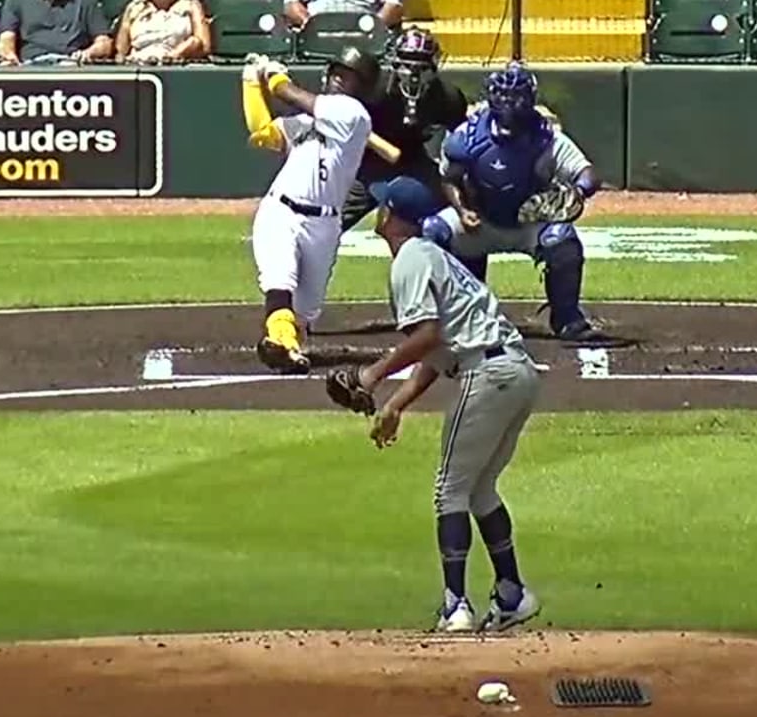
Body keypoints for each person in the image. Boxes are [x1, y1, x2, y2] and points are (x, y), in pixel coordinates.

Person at [351, 175, 543, 633]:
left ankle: (456, 606)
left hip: (488, 374)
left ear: (391, 216)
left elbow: (429, 336)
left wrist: (372, 375)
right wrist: (396, 403)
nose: (378, 213)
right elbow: (441, 352)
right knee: (479, 490)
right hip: (517, 372)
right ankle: (512, 594)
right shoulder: (432, 255)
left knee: (449, 492)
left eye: (383, 208)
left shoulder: (411, 260)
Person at [428, 61, 609, 345]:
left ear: (530, 98)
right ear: (491, 96)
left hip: (529, 223)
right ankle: (450, 315)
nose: (509, 103)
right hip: (480, 223)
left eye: (517, 96)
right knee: (433, 231)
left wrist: (578, 191)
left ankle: (568, 320)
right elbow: (449, 179)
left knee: (562, 239)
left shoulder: (546, 138)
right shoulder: (467, 136)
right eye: (503, 95)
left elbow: (587, 173)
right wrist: (462, 211)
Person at [240, 46, 380, 373]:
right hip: (281, 212)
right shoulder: (307, 121)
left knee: (305, 312)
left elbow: (286, 92)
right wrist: (250, 82)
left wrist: (273, 75)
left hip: (324, 225)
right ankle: (282, 345)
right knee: (280, 281)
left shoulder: (353, 116)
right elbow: (265, 134)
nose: (338, 79)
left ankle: (289, 341)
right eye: (337, 72)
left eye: (348, 76)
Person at [338, 27, 470, 234]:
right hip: (366, 160)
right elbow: (348, 122)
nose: (414, 75)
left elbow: (463, 141)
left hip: (412, 158)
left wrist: (453, 180)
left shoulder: (447, 98)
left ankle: (438, 260)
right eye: (407, 65)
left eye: (421, 66)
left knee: (450, 213)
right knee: (331, 220)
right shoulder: (374, 89)